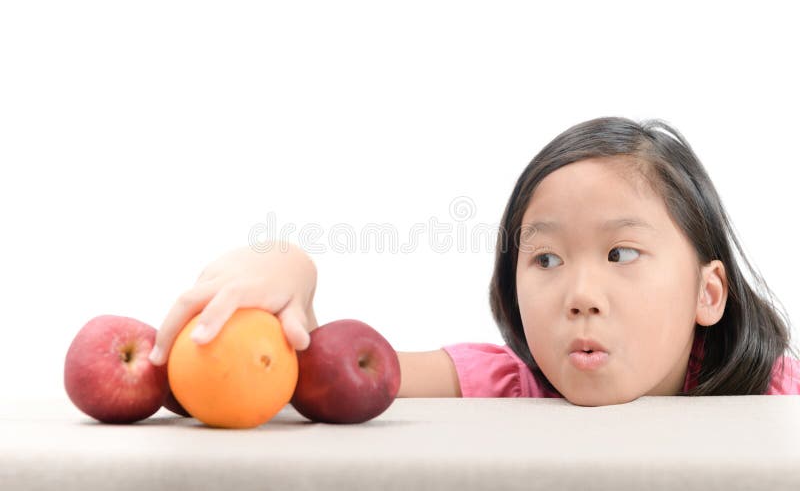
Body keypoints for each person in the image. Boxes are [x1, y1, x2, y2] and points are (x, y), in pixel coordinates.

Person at [148, 117, 799, 406]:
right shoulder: (505, 384)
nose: (580, 293)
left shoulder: (779, 398)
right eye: (545, 259)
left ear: (707, 294)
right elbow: (316, 377)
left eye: (620, 252)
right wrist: (288, 266)